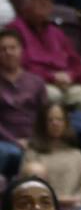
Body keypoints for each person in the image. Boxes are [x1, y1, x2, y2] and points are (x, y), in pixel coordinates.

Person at [0, 25, 47, 179]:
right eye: (3, 49)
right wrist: (15, 141)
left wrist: (34, 140)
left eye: (12, 48)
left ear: (21, 50)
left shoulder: (36, 82)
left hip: (34, 139)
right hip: (4, 141)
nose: (8, 52)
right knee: (8, 152)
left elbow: (44, 115)